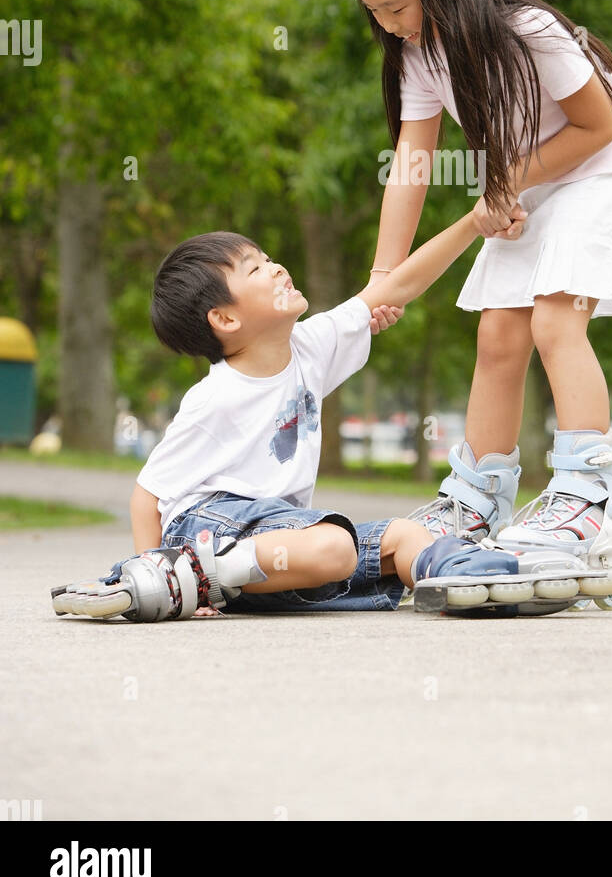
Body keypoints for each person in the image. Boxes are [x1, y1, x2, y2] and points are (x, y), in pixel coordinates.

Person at [340, 0, 612, 601]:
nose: (387, 25)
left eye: (395, 7)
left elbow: (597, 128)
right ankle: (475, 506)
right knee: (498, 336)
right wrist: (383, 277)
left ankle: (588, 504)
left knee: (552, 319)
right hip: (529, 175)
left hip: (597, 167)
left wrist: (510, 181)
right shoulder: (420, 56)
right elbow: (412, 163)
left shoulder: (529, 30)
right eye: (374, 14)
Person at [52, 208, 540, 622]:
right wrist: (154, 564)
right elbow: (148, 494)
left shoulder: (310, 346)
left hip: (279, 543)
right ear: (225, 319)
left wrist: (475, 223)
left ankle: (462, 578)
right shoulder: (216, 398)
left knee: (404, 536)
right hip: (208, 526)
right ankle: (181, 578)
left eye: (268, 258)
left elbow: (398, 287)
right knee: (334, 547)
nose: (276, 266)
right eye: (255, 269)